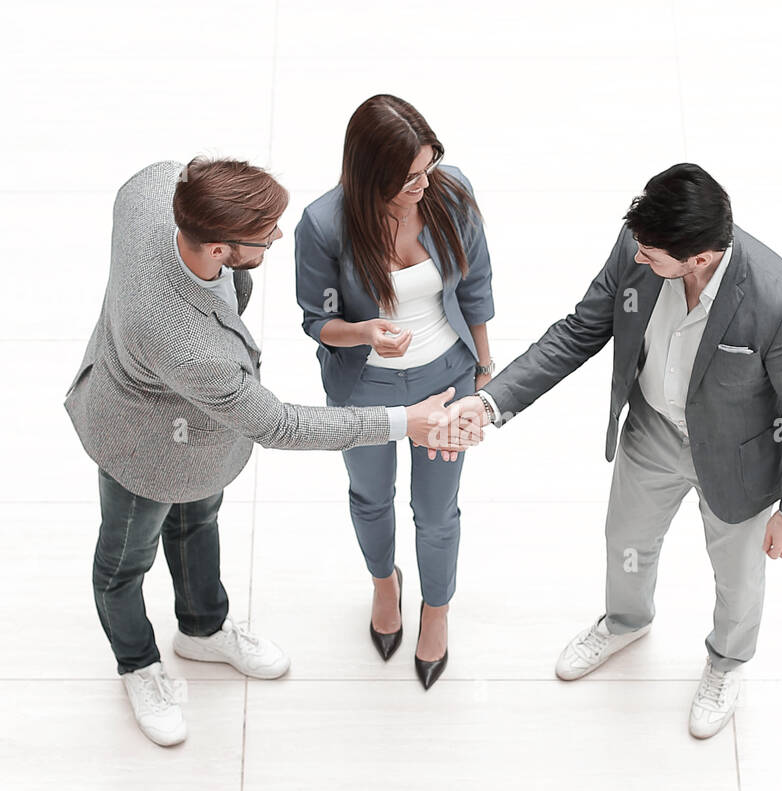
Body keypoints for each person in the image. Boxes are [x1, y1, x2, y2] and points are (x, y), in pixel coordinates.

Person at [64, 156, 480, 746]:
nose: (280, 237)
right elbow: (281, 424)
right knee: (123, 563)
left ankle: (203, 629)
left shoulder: (157, 190)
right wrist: (404, 423)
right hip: (143, 444)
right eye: (263, 236)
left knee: (199, 521)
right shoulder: (187, 346)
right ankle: (138, 665)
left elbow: (166, 175)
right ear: (216, 249)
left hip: (203, 439)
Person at [452, 162, 782, 739]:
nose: (638, 260)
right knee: (626, 540)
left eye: (653, 256)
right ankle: (625, 622)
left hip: (740, 456)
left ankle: (726, 663)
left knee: (737, 574)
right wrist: (489, 403)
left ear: (699, 258)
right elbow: (579, 329)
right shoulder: (640, 244)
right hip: (653, 429)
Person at [294, 94, 496, 690]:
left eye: (428, 168)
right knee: (370, 496)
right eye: (409, 178)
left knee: (437, 512)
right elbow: (315, 319)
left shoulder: (449, 193)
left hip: (446, 380)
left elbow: (477, 285)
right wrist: (362, 332)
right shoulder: (324, 224)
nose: (423, 185)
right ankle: (386, 585)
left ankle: (436, 610)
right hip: (366, 389)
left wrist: (483, 372)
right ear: (370, 174)